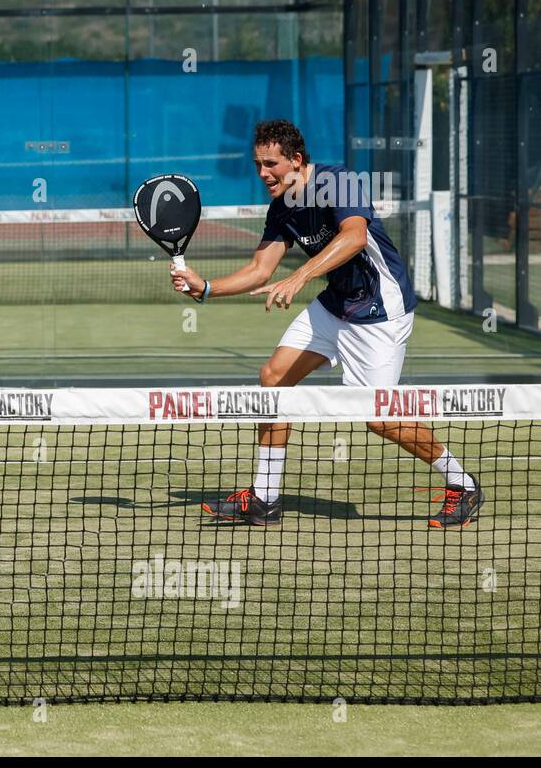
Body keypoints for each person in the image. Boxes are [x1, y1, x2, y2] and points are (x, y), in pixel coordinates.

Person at [170, 119, 483, 529]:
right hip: (335, 305)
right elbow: (261, 269)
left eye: (271, 164)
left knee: (381, 418)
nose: (263, 173)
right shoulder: (282, 207)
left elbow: (354, 237)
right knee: (274, 379)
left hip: (379, 310)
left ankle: (462, 484)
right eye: (258, 164)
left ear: (297, 160)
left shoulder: (339, 182)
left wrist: (300, 276)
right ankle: (265, 499)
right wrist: (207, 288)